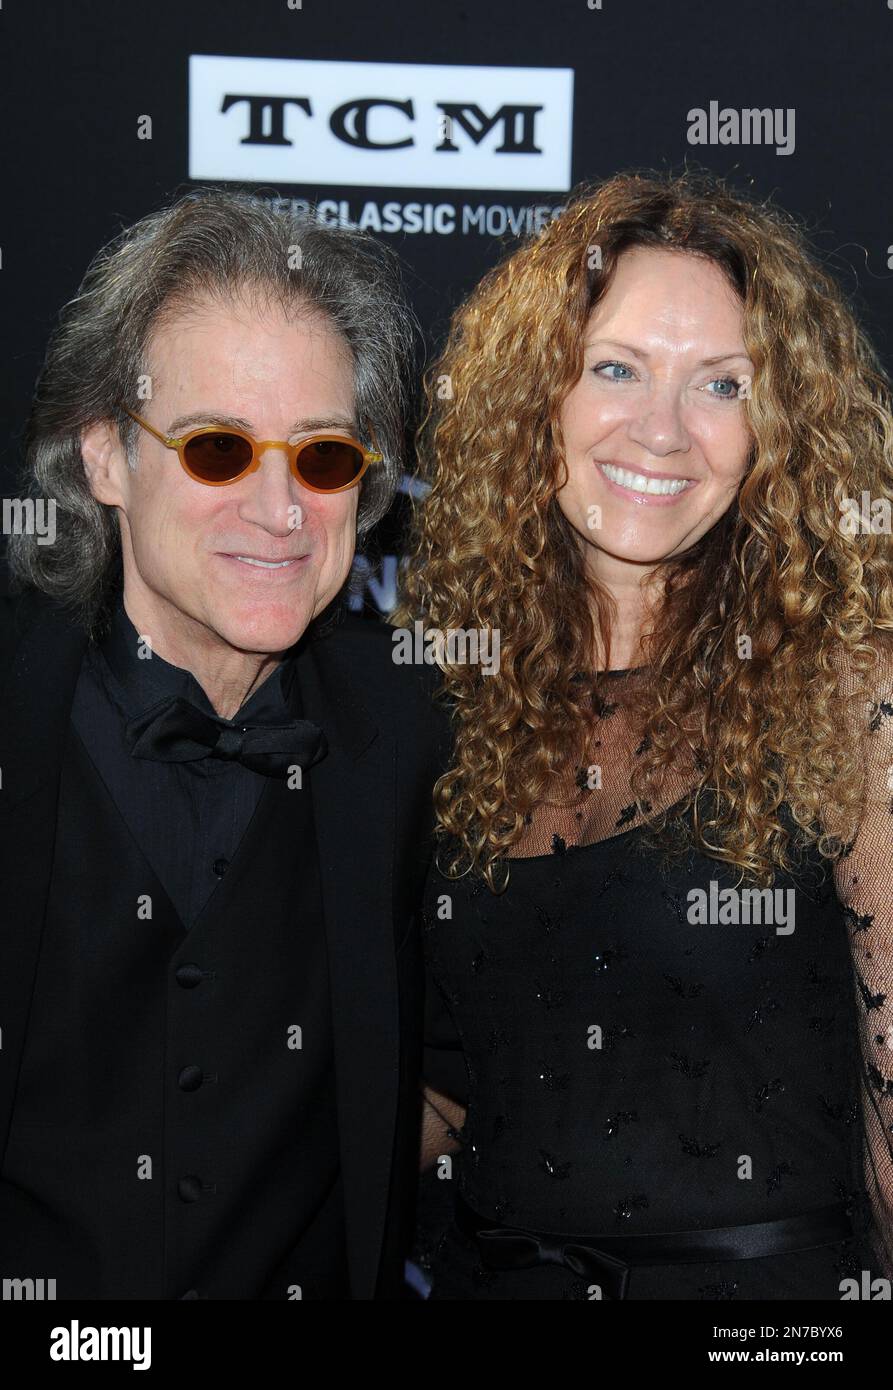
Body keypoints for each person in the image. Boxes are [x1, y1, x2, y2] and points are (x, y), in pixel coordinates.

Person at [400, 168, 893, 1299]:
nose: (661, 430)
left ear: (775, 429)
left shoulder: (844, 690)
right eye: (616, 368)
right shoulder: (456, 701)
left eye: (721, 384)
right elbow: (453, 1081)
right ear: (538, 395)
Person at [0, 188, 447, 1299]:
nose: (281, 508)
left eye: (324, 457)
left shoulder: (420, 738)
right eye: (216, 449)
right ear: (104, 457)